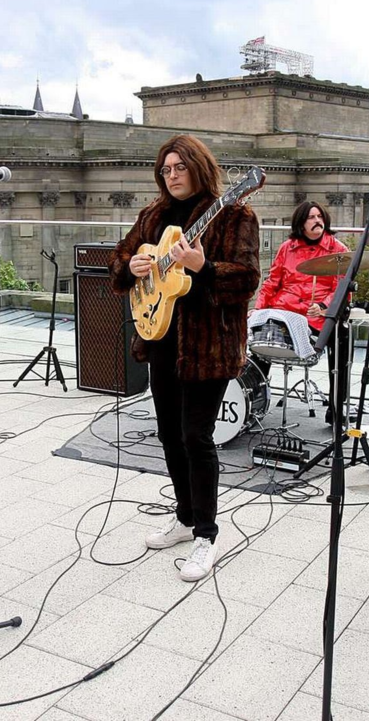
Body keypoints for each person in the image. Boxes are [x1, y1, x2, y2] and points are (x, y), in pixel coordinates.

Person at [110, 134, 260, 582]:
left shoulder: (234, 213)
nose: (171, 176)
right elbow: (122, 254)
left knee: (197, 436)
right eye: (165, 169)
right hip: (161, 336)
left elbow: (248, 278)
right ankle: (183, 516)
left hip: (208, 343)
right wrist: (131, 265)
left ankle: (207, 536)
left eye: (179, 167)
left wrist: (204, 267)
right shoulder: (153, 215)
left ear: (198, 166)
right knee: (169, 435)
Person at [252, 201, 352, 425]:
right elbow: (271, 283)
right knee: (259, 339)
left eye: (320, 217)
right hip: (284, 310)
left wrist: (324, 307)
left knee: (342, 340)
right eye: (311, 217)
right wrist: (258, 311)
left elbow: (342, 288)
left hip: (318, 314)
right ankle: (254, 401)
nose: (317, 221)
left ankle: (337, 407)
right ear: (301, 223)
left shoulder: (338, 250)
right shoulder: (287, 248)